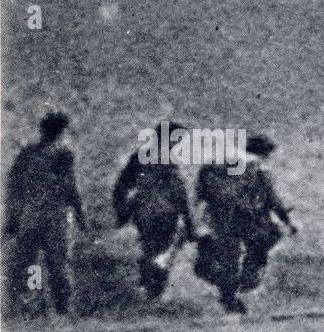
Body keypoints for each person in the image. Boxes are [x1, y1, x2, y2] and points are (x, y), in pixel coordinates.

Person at [194, 133, 297, 313]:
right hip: (245, 218)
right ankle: (241, 286)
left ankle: (228, 293)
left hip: (217, 216)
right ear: (265, 152)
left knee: (228, 258)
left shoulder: (221, 161)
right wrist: (288, 221)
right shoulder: (258, 167)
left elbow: (200, 191)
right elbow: (273, 199)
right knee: (267, 240)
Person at [4, 110, 87, 316]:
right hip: (56, 217)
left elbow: (14, 187)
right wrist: (80, 215)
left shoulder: (27, 154)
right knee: (58, 265)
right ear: (61, 131)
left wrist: (13, 217)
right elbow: (70, 187)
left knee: (29, 264)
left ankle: (29, 306)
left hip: (30, 216)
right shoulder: (63, 154)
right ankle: (61, 308)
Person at [112, 124, 197, 300]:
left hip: (143, 210)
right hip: (166, 211)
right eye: (178, 139)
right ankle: (154, 291)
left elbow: (121, 185)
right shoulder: (169, 158)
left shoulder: (140, 155)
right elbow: (178, 191)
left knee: (150, 248)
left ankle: (149, 289)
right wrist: (189, 222)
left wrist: (121, 211)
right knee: (164, 252)